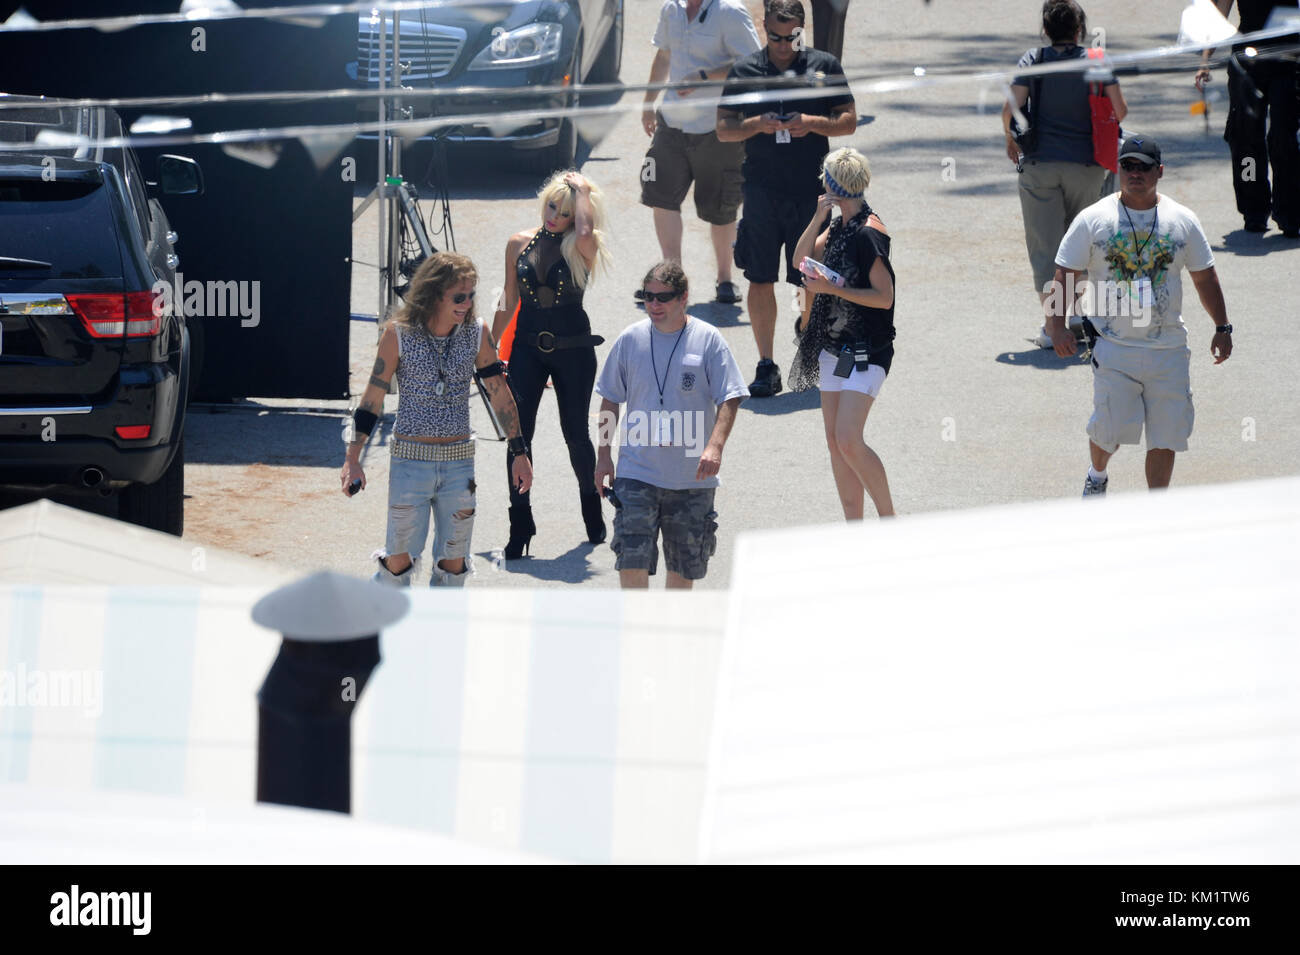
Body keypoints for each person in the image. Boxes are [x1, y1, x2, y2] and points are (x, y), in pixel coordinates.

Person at [1046, 136, 1233, 496]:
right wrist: (1055, 327)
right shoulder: (1093, 218)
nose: (1135, 173)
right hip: (1114, 347)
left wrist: (1222, 327)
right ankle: (1097, 475)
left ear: (1159, 171)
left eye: (1143, 167)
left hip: (1169, 347)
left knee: (1167, 433)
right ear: (1118, 170)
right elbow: (1064, 275)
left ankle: (1155, 505)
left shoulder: (1183, 220)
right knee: (1109, 428)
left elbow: (1205, 276)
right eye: (1128, 166)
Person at [342, 252, 533, 586]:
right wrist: (352, 459)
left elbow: (499, 393)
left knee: (454, 563)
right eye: (458, 297)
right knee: (398, 561)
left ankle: (441, 636)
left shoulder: (476, 332)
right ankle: (385, 632)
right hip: (410, 462)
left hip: (459, 465)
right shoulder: (398, 334)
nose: (466, 304)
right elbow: (371, 399)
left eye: (471, 295)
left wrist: (520, 452)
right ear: (433, 294)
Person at [717, 0, 857, 398]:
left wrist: (811, 123)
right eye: (775, 36)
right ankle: (766, 364)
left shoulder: (823, 66)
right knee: (760, 278)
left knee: (812, 277)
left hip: (810, 195)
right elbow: (723, 128)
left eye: (791, 36)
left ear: (803, 28)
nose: (783, 45)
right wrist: (755, 124)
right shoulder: (745, 71)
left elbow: (848, 119)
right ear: (764, 28)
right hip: (761, 190)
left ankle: (808, 335)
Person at [594, 261, 748, 589]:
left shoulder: (708, 340)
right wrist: (603, 456)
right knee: (630, 564)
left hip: (692, 479)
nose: (654, 304)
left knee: (681, 577)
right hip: (637, 474)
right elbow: (609, 400)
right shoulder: (630, 340)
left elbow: (731, 397)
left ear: (683, 298)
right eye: (647, 297)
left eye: (663, 297)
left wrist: (715, 446)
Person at [491, 169, 612, 559]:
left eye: (564, 211)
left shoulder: (582, 244)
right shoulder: (518, 243)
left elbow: (586, 232)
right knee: (517, 435)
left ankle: (590, 507)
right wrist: (489, 348)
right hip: (527, 348)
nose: (553, 216)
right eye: (550, 206)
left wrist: (581, 193)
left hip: (574, 350)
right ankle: (520, 522)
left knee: (575, 433)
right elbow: (507, 299)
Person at [1002, 0, 1127, 347]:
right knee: (1081, 244)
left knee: (1046, 248)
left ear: (1045, 30)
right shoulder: (1097, 61)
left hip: (1040, 166)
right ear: (1079, 29)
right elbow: (1121, 110)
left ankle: (1053, 327)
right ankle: (1071, 315)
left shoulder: (1034, 60)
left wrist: (1010, 139)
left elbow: (1011, 107)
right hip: (1087, 167)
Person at [790, 147, 896, 520]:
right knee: (836, 443)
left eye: (824, 179)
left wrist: (832, 290)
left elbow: (884, 298)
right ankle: (855, 528)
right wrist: (819, 216)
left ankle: (889, 519)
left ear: (834, 185)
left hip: (867, 350)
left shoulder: (869, 234)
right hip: (835, 350)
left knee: (849, 439)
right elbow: (799, 261)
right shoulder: (836, 226)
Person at [640, 0, 762, 305]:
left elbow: (753, 63)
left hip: (718, 128)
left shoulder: (730, 13)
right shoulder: (671, 9)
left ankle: (725, 279)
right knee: (660, 196)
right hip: (671, 124)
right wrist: (647, 102)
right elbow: (664, 54)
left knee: (721, 208)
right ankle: (672, 278)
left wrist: (704, 77)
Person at [1194, 1, 1299, 237]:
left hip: (1289, 59)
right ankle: (1254, 210)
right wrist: (1205, 60)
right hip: (1247, 61)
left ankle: (1291, 212)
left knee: (1285, 137)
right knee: (1245, 139)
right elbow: (1216, 16)